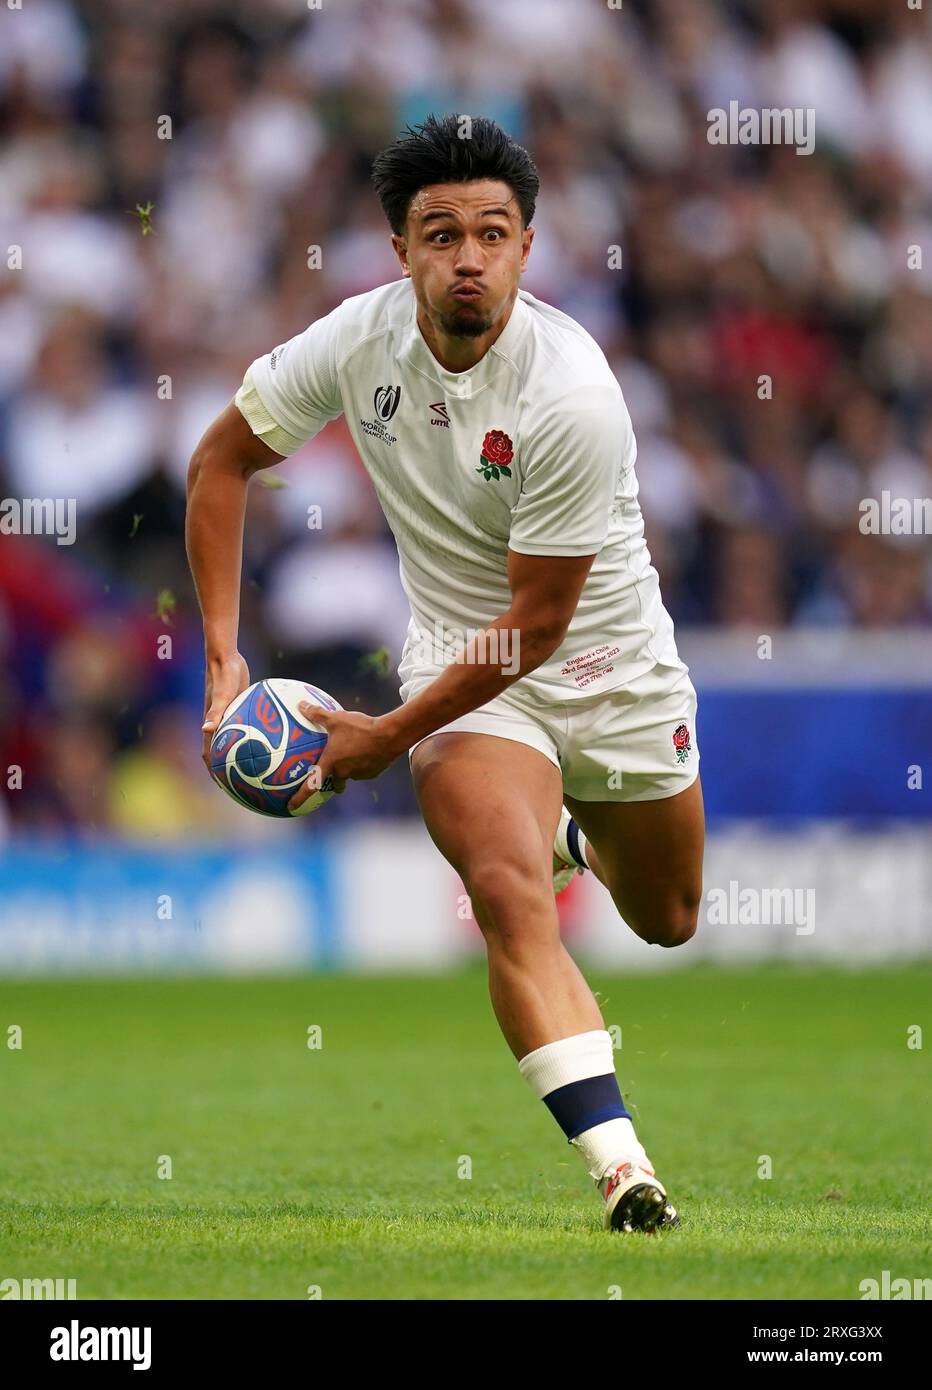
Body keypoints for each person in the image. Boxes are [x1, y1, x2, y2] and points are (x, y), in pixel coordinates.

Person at [186, 113, 704, 1233]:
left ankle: (571, 827)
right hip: (463, 668)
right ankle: (624, 1171)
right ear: (399, 250)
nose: (465, 256)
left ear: (525, 247)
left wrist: (378, 737)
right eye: (438, 234)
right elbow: (222, 461)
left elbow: (538, 623)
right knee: (505, 893)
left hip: (601, 663)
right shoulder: (353, 342)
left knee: (666, 917)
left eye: (490, 232)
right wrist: (223, 651)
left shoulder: (571, 392)